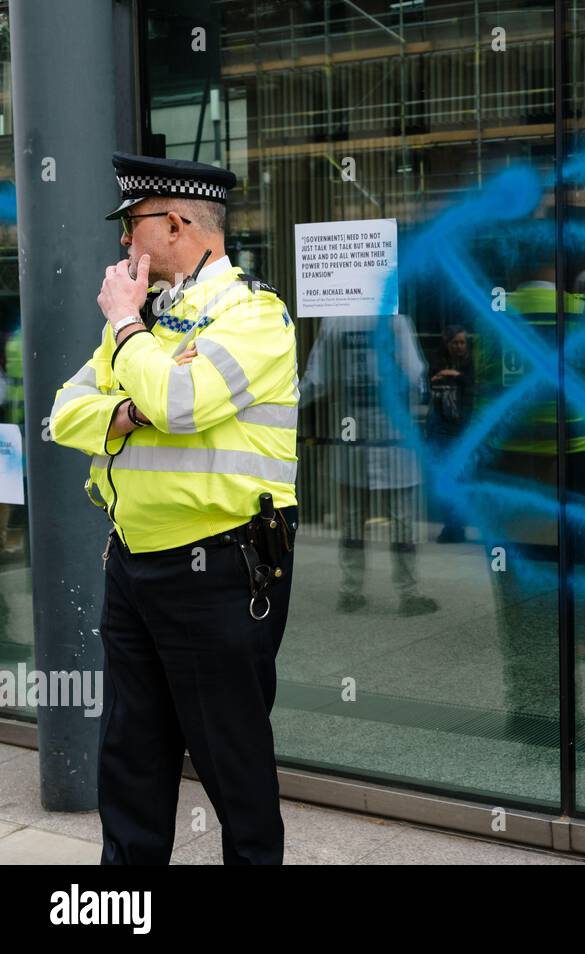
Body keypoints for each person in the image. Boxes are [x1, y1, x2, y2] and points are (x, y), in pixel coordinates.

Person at [49, 153, 299, 864]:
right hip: (132, 564)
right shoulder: (151, 322)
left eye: (134, 226)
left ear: (176, 222)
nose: (126, 244)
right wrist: (131, 405)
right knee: (131, 758)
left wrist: (128, 336)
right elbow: (67, 411)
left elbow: (181, 406)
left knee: (233, 766)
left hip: (221, 567)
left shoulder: (253, 314)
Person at [299, 312, 440, 616]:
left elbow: (318, 379)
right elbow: (415, 374)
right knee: (402, 523)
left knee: (352, 521)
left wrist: (284, 408)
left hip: (354, 435)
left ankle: (350, 591)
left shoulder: (335, 321)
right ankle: (409, 594)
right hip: (394, 435)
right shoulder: (396, 319)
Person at [425, 325, 474, 544]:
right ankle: (450, 526)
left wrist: (454, 375)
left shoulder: (471, 364)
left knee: (459, 479)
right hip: (442, 429)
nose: (459, 347)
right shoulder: (437, 362)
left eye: (462, 342)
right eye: (455, 342)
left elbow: (472, 386)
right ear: (447, 344)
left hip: (461, 430)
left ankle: (458, 526)